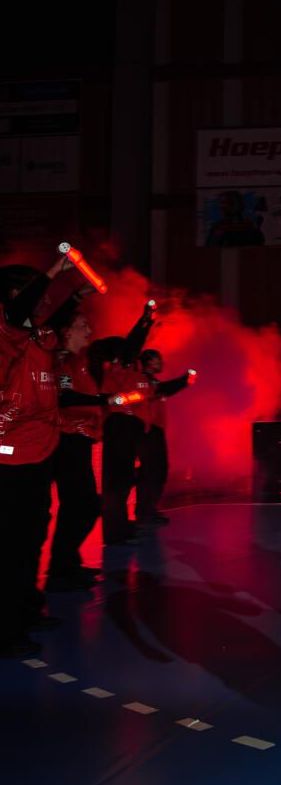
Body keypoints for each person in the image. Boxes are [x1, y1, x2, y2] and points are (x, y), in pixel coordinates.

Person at [0, 256, 82, 657]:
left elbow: (53, 314)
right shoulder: (6, 332)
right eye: (31, 291)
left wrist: (75, 290)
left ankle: (26, 612)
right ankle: (6, 630)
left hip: (39, 452)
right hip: (8, 458)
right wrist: (54, 270)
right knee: (10, 546)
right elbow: (19, 310)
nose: (40, 301)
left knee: (32, 539)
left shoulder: (39, 337)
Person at [46, 312, 110, 591]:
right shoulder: (60, 361)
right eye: (83, 324)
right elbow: (64, 396)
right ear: (66, 331)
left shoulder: (79, 363)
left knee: (79, 506)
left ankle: (66, 565)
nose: (90, 328)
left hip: (80, 441)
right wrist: (102, 399)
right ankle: (60, 570)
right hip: (66, 440)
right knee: (83, 505)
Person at [98, 302, 156, 544]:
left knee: (122, 482)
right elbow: (132, 345)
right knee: (116, 483)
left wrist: (146, 321)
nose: (133, 356)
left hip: (127, 427)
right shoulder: (113, 369)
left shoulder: (127, 370)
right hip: (118, 426)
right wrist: (144, 321)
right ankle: (115, 532)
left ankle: (121, 528)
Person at [134, 349, 193, 527]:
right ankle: (145, 512)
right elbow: (162, 389)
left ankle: (148, 510)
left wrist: (184, 382)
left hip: (153, 430)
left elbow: (163, 390)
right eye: (158, 359)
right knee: (153, 471)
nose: (161, 362)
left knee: (155, 472)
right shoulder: (143, 380)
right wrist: (183, 380)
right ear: (149, 362)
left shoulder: (151, 381)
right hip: (149, 431)